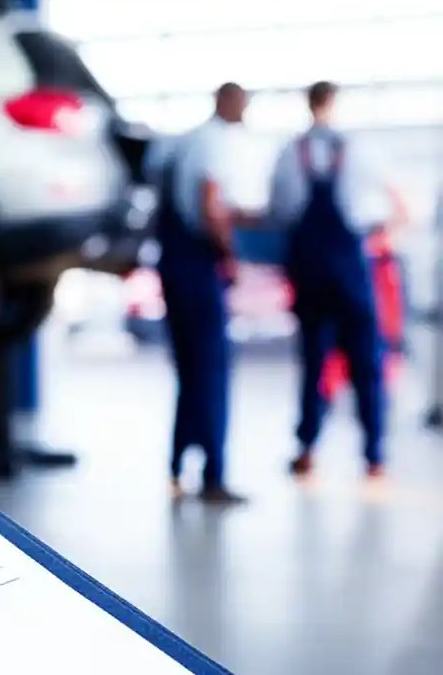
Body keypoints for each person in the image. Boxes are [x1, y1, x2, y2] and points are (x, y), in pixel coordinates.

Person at [265, 81, 408, 480]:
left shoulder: (290, 154)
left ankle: (307, 448)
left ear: (308, 103)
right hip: (351, 271)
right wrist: (380, 237)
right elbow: (399, 206)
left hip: (311, 272)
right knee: (367, 363)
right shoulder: (360, 150)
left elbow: (278, 211)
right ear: (334, 103)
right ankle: (374, 454)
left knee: (314, 363)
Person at [147, 83, 251, 504]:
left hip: (172, 264)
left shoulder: (178, 144)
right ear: (225, 102)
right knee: (212, 372)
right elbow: (210, 204)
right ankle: (213, 477)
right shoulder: (215, 143)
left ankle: (177, 468)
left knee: (189, 372)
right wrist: (229, 255)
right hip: (198, 265)